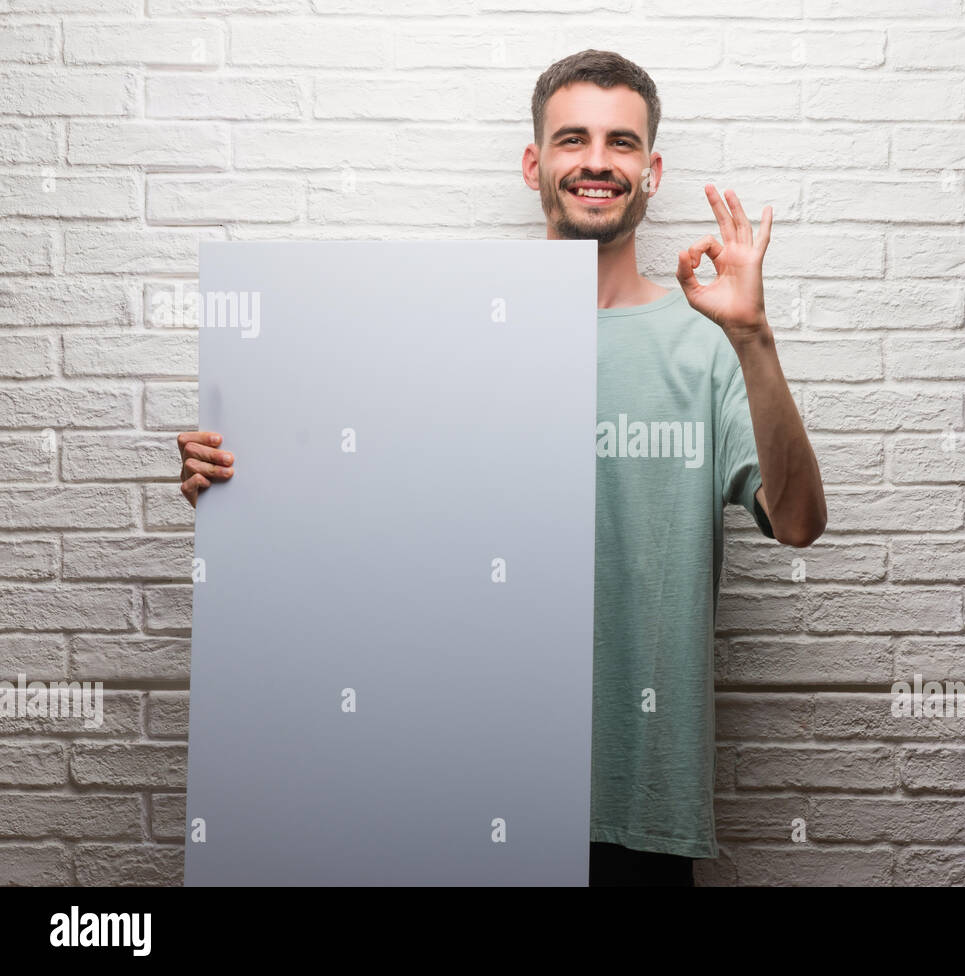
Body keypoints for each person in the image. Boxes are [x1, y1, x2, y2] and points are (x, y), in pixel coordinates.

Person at [179, 49, 826, 887]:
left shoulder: (706, 344)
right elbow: (366, 502)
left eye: (622, 143)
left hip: (636, 808)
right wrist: (237, 480)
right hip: (460, 787)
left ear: (652, 169)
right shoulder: (449, 327)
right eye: (573, 139)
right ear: (535, 163)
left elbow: (801, 522)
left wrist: (753, 337)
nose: (597, 161)